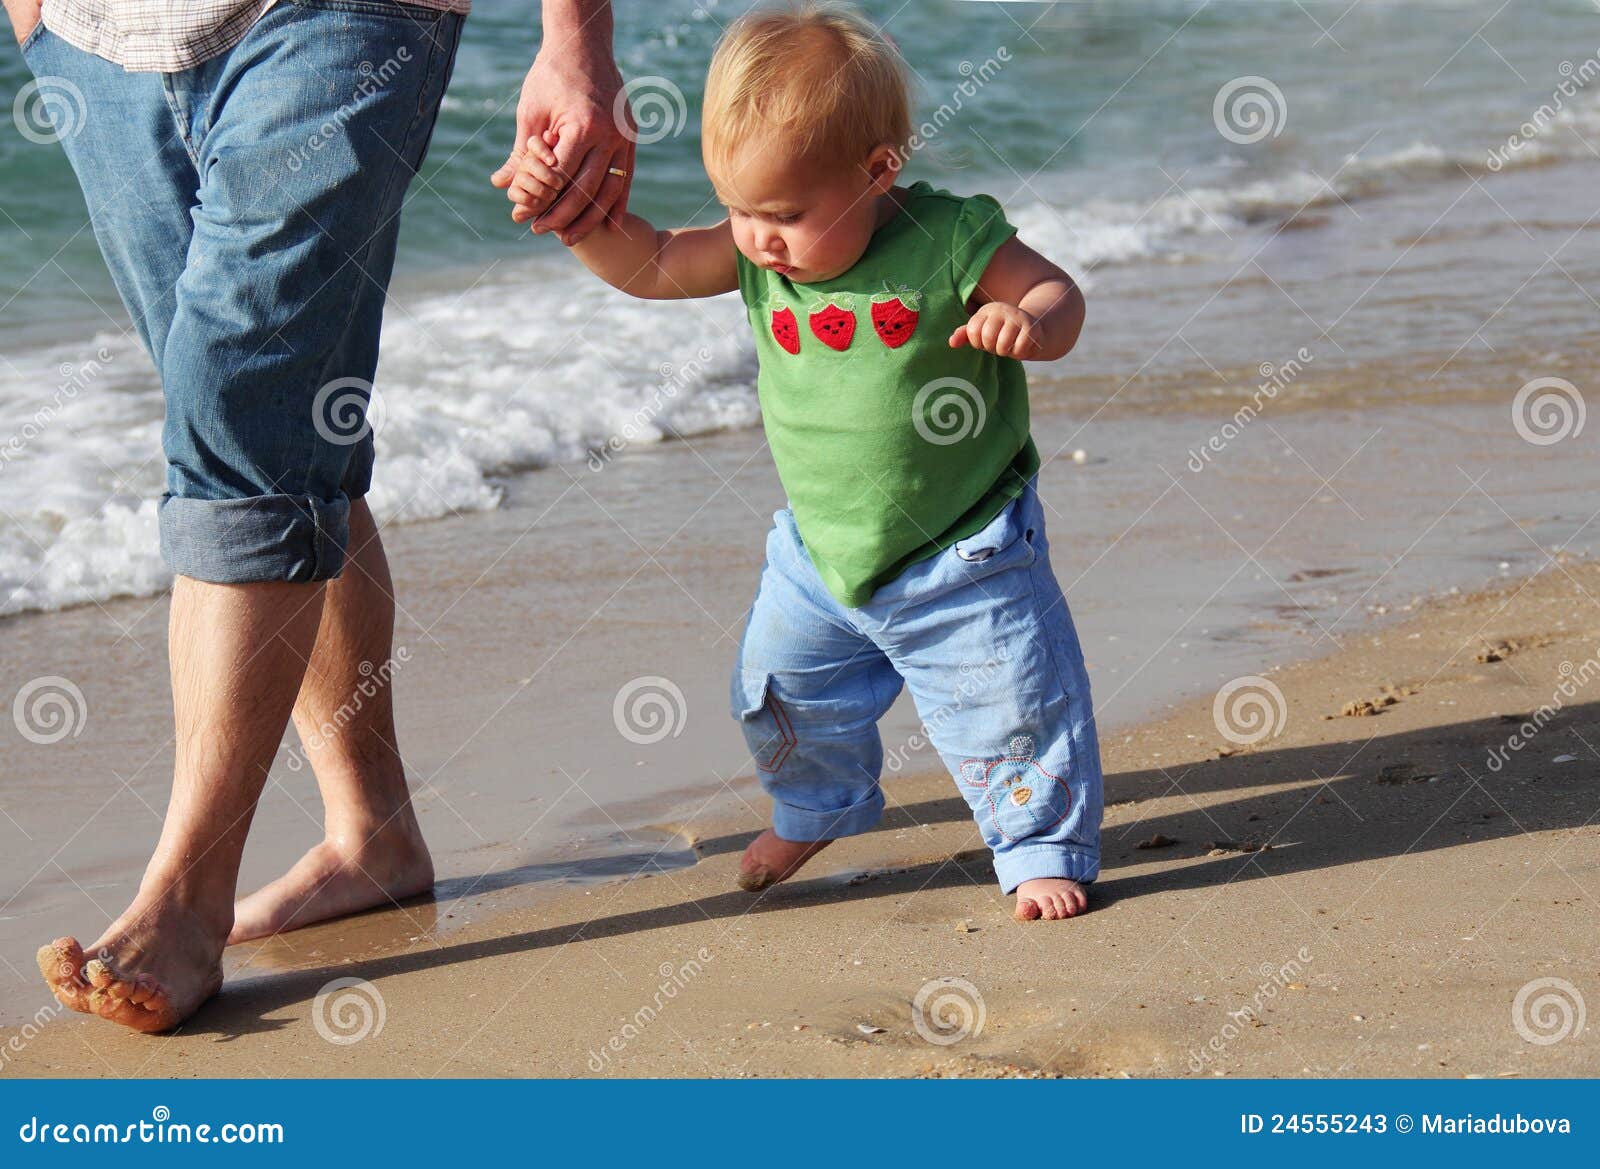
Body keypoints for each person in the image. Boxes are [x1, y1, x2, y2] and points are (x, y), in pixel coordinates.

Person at [10, 0, 633, 1032]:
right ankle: (371, 836)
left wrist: (576, 44)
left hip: (344, 19)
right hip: (98, 36)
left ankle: (185, 897)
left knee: (234, 402)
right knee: (280, 430)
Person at [508, 0, 1103, 922]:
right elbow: (654, 260)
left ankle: (1036, 848)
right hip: (822, 554)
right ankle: (816, 806)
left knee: (1014, 702)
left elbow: (1054, 290)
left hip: (963, 547)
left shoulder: (949, 238)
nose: (756, 235)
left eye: (782, 211)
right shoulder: (761, 259)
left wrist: (1030, 321)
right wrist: (576, 219)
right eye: (738, 208)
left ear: (876, 172)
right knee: (781, 691)